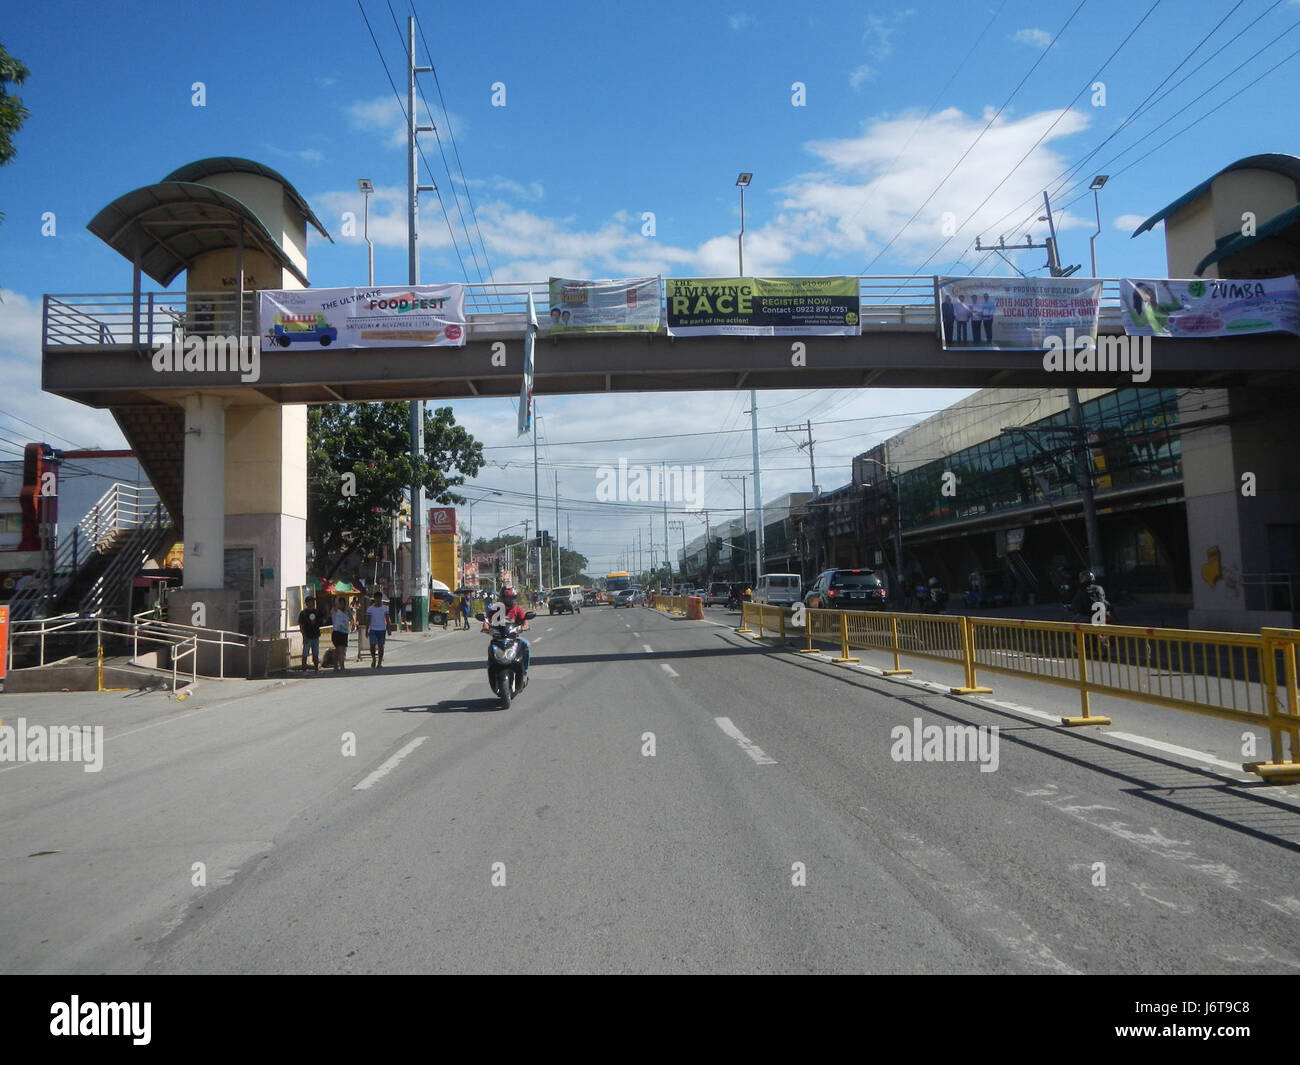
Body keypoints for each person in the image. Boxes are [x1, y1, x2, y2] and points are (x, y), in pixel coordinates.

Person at [482, 586, 530, 681]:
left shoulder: (517, 610)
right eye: (507, 598)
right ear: (502, 599)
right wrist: (486, 627)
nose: (510, 600)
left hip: (514, 639)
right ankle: (491, 670)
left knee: (527, 645)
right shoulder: (496, 610)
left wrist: (524, 626)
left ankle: (524, 673)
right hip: (498, 639)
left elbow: (525, 620)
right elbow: (487, 620)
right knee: (490, 648)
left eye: (512, 598)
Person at [297, 595, 322, 673]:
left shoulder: (316, 612)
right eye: (310, 601)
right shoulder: (303, 613)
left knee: (315, 654)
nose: (312, 603)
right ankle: (304, 670)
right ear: (307, 603)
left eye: (313, 601)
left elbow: (321, 622)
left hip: (315, 636)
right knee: (305, 654)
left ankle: (316, 669)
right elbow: (301, 626)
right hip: (307, 636)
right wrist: (304, 636)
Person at [365, 593, 390, 668]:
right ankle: (374, 659)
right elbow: (368, 620)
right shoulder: (370, 609)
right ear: (374, 599)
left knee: (381, 646)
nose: (378, 600)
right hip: (373, 629)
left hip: (382, 629)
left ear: (381, 598)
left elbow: (387, 619)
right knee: (372, 646)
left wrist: (389, 629)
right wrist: (367, 630)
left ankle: (379, 662)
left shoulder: (385, 608)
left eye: (379, 598)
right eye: (377, 598)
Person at [330, 595, 352, 672]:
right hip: (337, 633)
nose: (342, 604)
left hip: (344, 633)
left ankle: (335, 667)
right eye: (340, 603)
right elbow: (335, 602)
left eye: (344, 603)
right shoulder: (335, 610)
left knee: (337, 651)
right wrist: (339, 597)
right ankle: (342, 667)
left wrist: (348, 610)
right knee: (341, 650)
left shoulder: (346, 611)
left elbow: (352, 619)